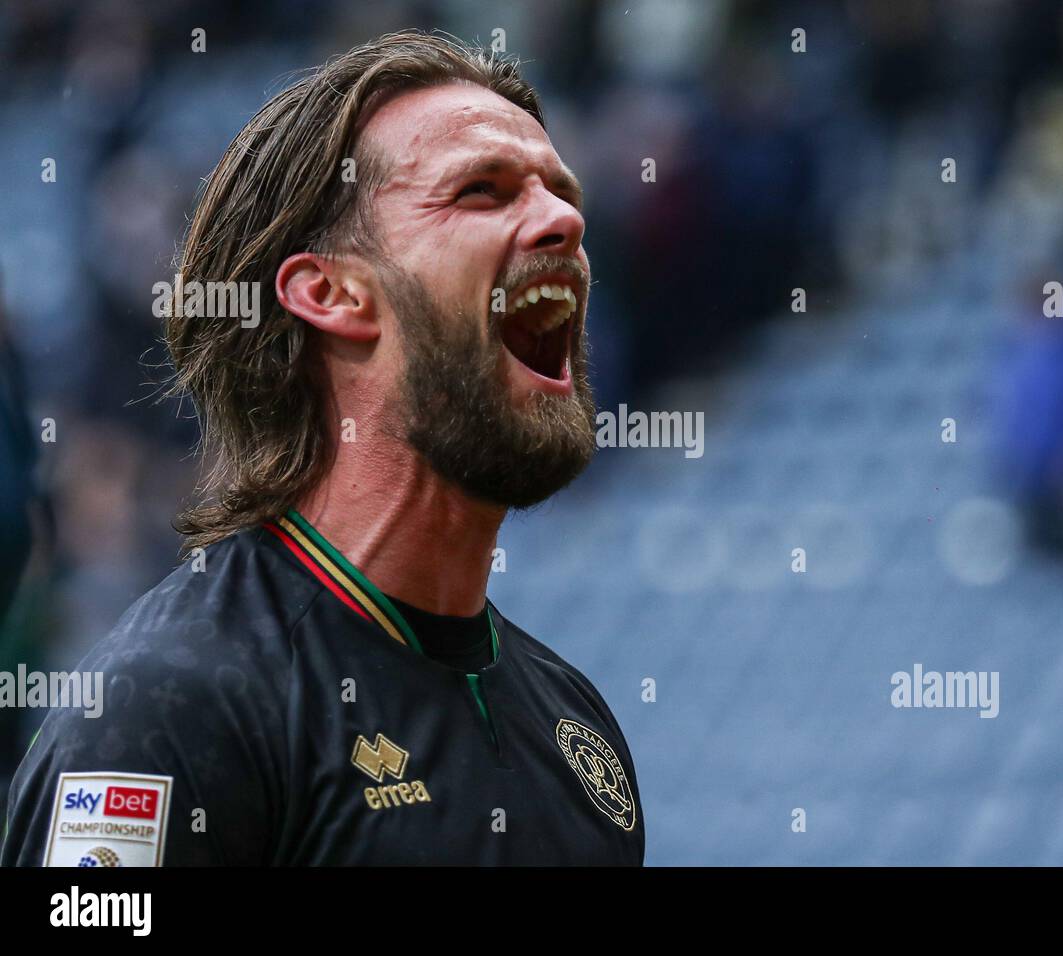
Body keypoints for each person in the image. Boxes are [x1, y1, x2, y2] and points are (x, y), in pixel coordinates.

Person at [2, 31, 643, 866]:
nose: (565, 218)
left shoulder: (576, 725)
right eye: (482, 192)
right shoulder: (166, 712)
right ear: (332, 293)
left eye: (561, 192)